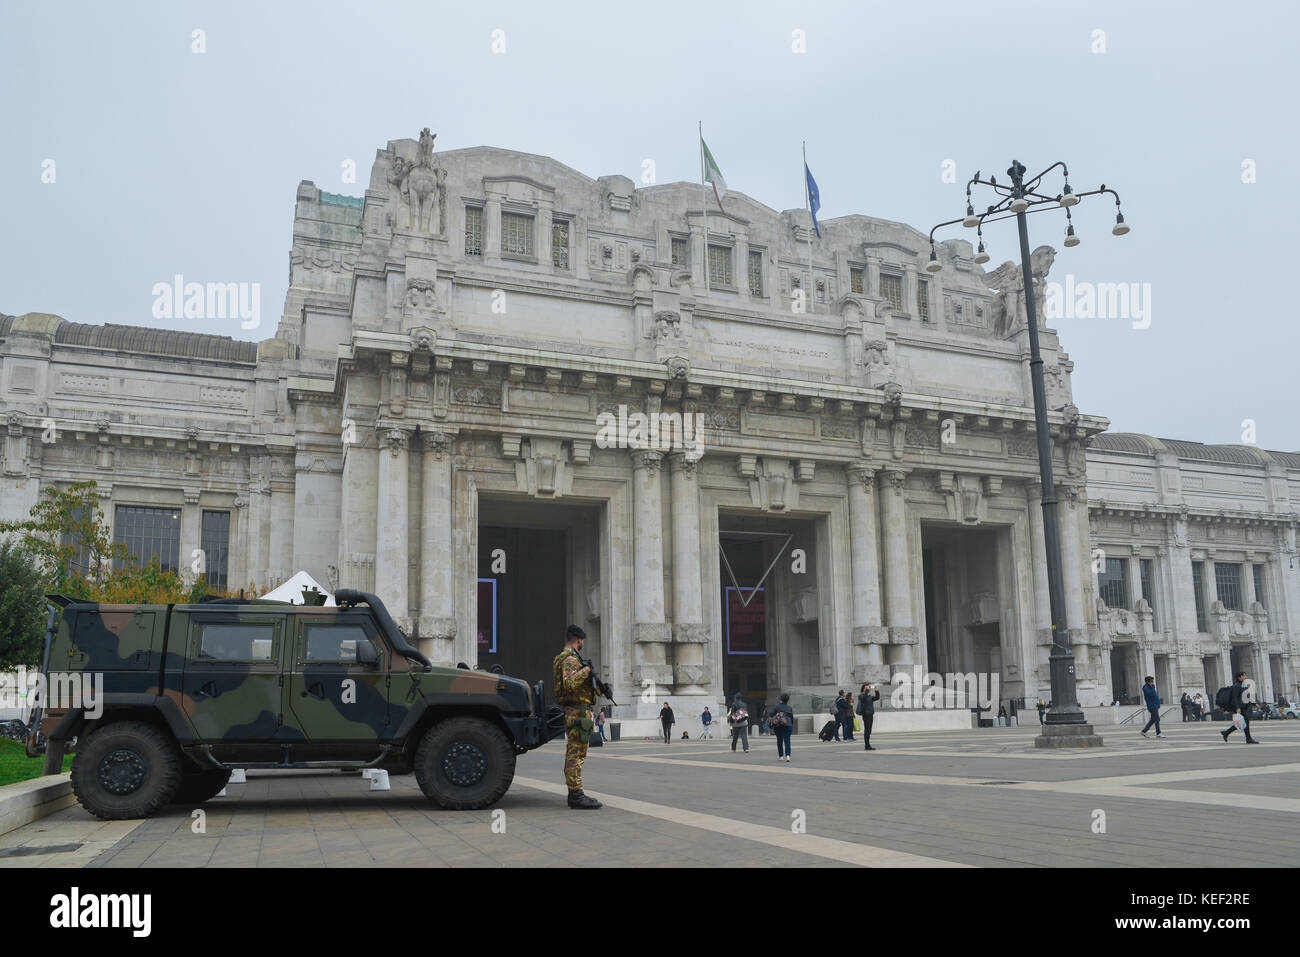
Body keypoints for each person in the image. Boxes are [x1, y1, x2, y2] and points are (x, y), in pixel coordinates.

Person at [553, 624, 601, 809]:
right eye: (582, 641)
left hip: (577, 711)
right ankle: (576, 795)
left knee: (576, 753)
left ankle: (575, 792)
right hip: (577, 712)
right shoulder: (570, 658)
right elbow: (570, 683)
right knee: (576, 754)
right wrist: (587, 670)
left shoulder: (564, 657)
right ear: (579, 640)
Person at [1221, 671, 1259, 744]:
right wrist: (1237, 707)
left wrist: (1254, 703)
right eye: (1244, 676)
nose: (1245, 677)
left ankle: (1226, 733)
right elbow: (1235, 698)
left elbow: (1246, 696)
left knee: (1241, 722)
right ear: (1239, 677)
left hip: (1243, 707)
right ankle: (1248, 738)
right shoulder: (1236, 686)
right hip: (1239, 708)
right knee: (1245, 721)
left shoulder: (1243, 685)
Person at [769, 693, 795, 762]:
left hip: (778, 725)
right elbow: (792, 718)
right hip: (788, 725)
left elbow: (770, 714)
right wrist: (791, 725)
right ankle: (788, 756)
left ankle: (781, 756)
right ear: (787, 700)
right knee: (787, 741)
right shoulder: (789, 708)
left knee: (779, 740)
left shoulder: (776, 706)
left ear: (781, 699)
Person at [857, 682, 880, 751]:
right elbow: (863, 698)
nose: (869, 688)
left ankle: (868, 745)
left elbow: (877, 698)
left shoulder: (869, 696)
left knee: (869, 730)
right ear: (864, 688)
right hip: (866, 715)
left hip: (870, 714)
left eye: (869, 687)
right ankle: (867, 746)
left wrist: (876, 691)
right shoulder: (861, 695)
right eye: (867, 687)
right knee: (867, 730)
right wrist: (866, 691)